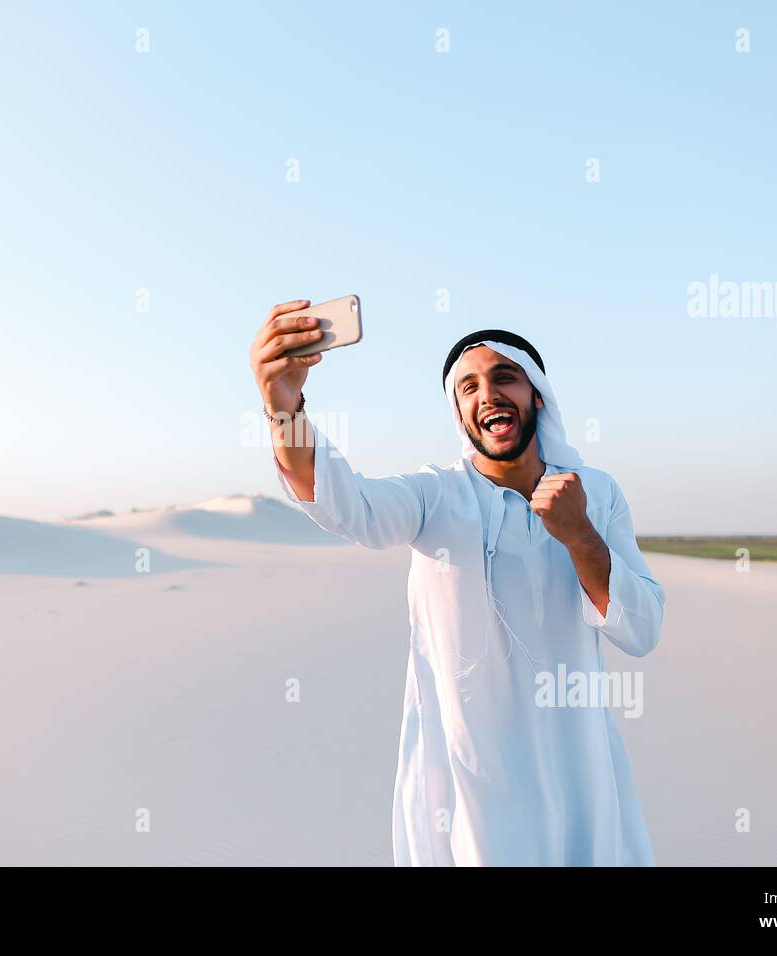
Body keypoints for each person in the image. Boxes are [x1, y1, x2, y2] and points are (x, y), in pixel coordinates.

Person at [248, 299, 667, 866]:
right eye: (467, 387)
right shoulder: (432, 495)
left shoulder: (595, 491)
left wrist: (579, 534)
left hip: (579, 770)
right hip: (472, 783)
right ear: (458, 411)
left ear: (537, 395)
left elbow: (640, 629)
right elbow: (345, 503)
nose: (487, 394)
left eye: (504, 378)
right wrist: (284, 407)